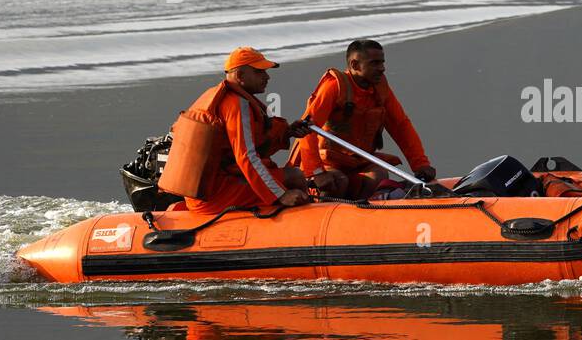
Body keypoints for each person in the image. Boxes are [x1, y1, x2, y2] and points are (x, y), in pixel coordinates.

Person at [159, 47, 318, 215]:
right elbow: (247, 158)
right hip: (216, 196)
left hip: (207, 192)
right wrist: (281, 195)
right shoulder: (236, 104)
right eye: (259, 72)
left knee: (290, 175)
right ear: (240, 76)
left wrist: (288, 132)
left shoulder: (219, 97)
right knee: (295, 177)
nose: (267, 77)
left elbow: (250, 146)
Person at [288, 39, 436, 200]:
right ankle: (320, 213)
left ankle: (362, 215)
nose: (382, 68)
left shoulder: (380, 89)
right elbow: (307, 129)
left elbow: (400, 126)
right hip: (327, 163)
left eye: (382, 62)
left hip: (357, 162)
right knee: (338, 182)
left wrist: (420, 164)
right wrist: (316, 173)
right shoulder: (334, 87)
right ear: (355, 65)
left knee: (378, 175)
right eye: (375, 63)